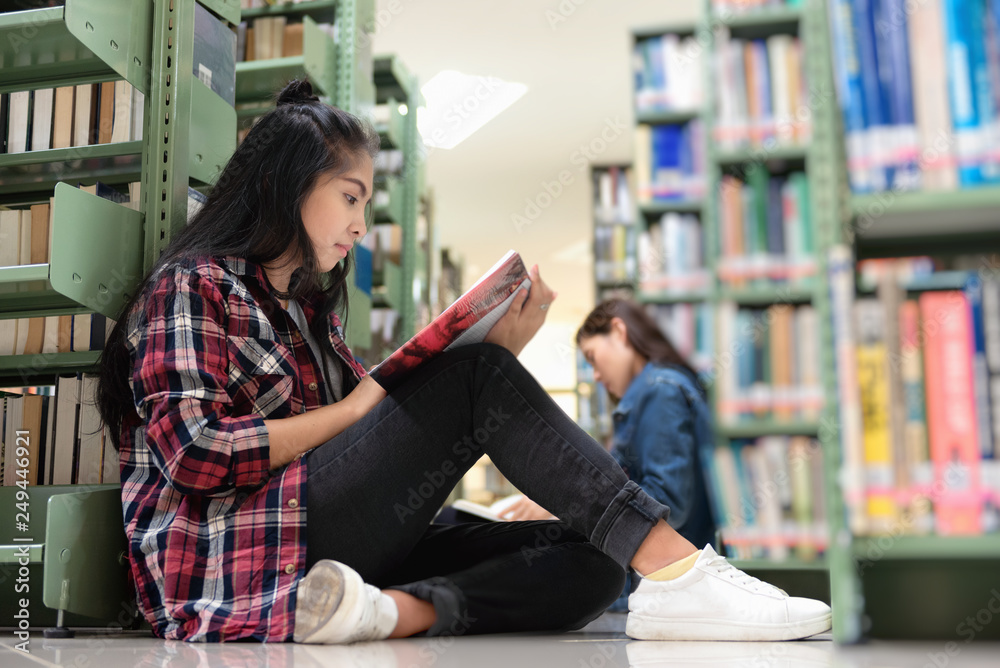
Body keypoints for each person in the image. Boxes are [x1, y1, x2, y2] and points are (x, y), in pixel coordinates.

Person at [96, 80, 831, 644]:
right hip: (243, 545)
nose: (359, 225)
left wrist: (495, 352)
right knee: (475, 382)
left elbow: (385, 440)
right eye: (350, 198)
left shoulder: (307, 313)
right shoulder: (192, 287)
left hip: (329, 548)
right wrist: (361, 407)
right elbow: (194, 454)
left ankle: (387, 614)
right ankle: (679, 569)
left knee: (592, 556)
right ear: (285, 186)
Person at [501, 298, 717, 610]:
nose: (597, 376)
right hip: (655, 586)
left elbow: (669, 502)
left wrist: (567, 503)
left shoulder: (661, 391)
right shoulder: (649, 394)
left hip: (662, 588)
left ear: (618, 331)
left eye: (592, 357)